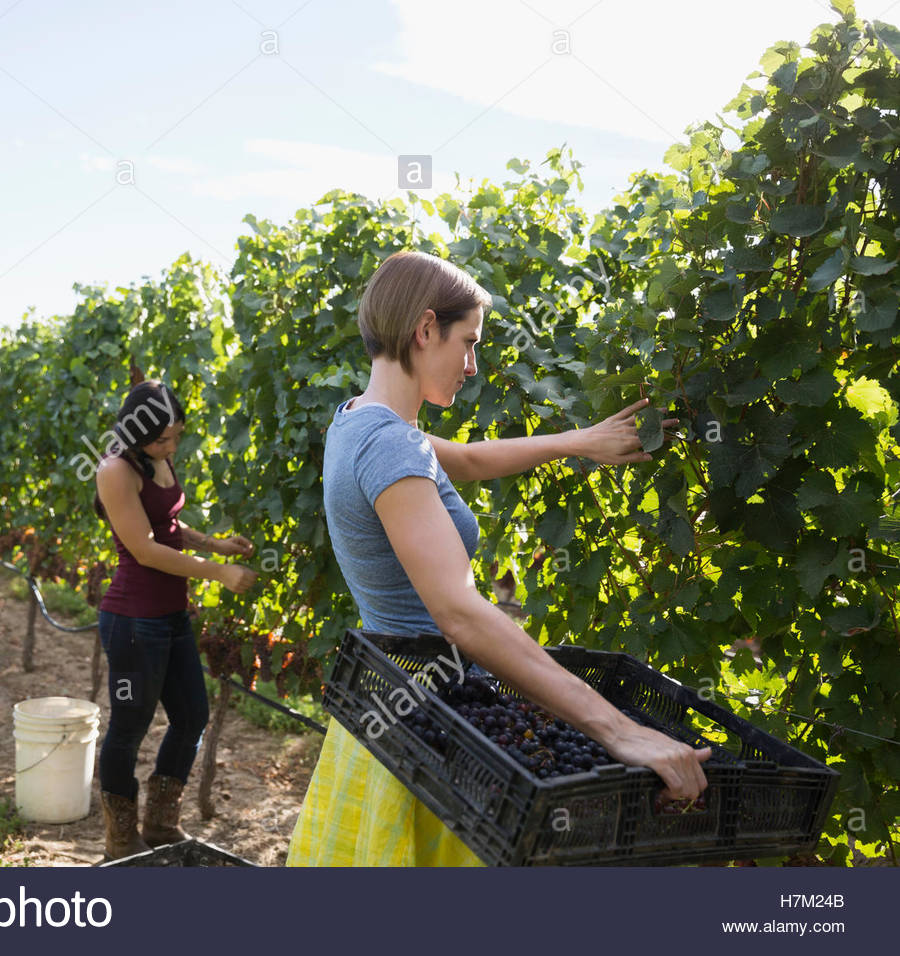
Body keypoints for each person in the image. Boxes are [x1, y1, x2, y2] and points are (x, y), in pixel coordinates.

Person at [287, 250, 710, 866]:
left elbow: (467, 458)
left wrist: (577, 442)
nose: (472, 364)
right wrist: (618, 730)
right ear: (425, 328)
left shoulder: (359, 422)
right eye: (468, 342)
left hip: (394, 705)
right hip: (431, 723)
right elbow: (458, 613)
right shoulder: (387, 446)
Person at [92, 380, 258, 860]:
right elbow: (144, 548)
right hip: (133, 620)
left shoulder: (155, 458)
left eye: (176, 437)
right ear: (136, 431)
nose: (171, 448)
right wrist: (218, 573)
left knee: (192, 717)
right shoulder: (114, 470)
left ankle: (161, 824)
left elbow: (167, 525)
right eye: (162, 439)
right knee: (130, 724)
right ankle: (120, 839)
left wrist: (215, 544)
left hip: (170, 615)